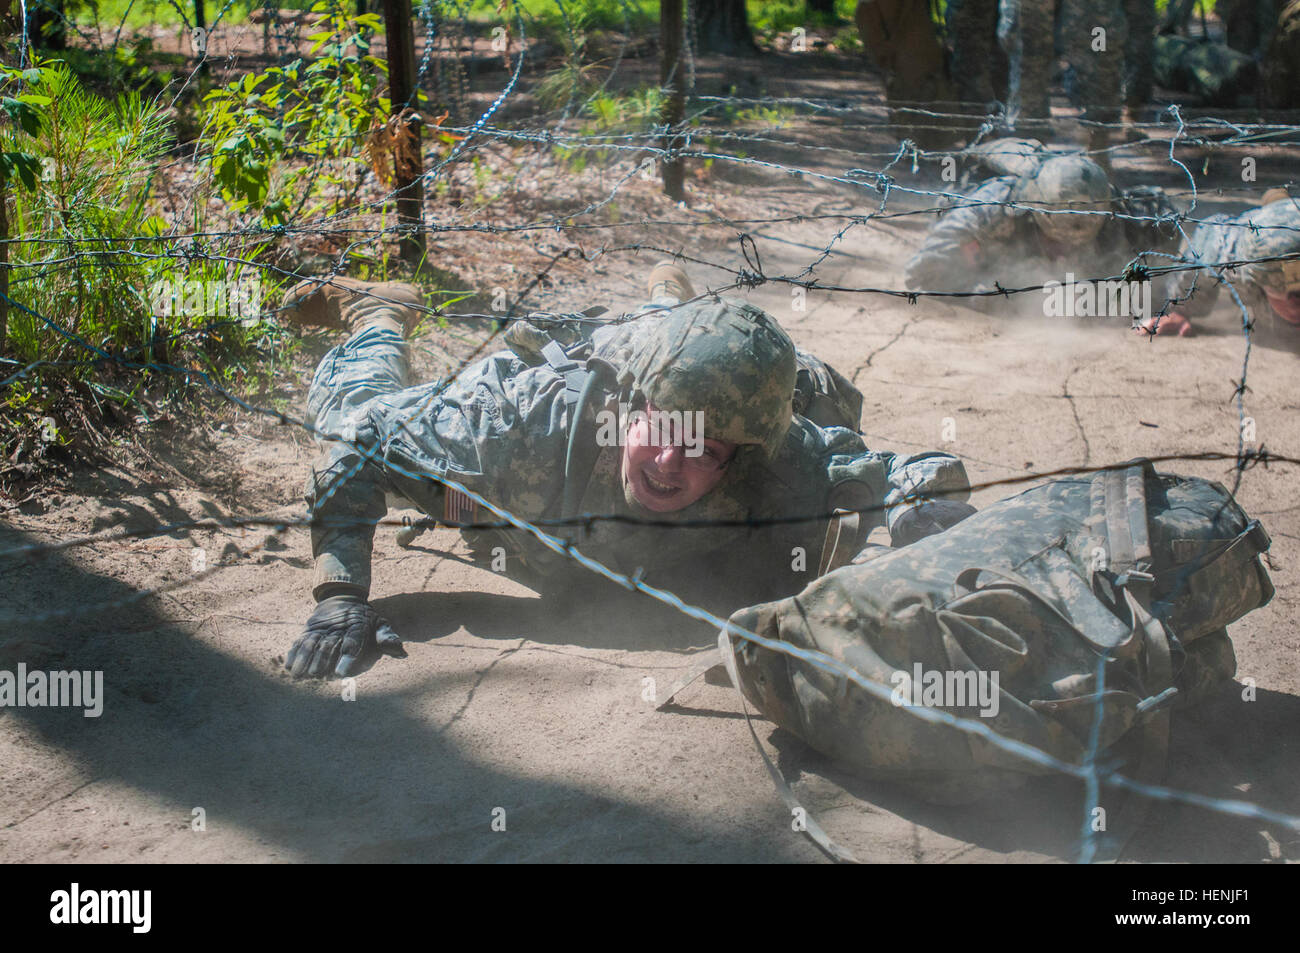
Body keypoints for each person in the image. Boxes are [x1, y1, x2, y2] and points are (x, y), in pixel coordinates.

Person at [281, 264, 973, 678]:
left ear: (741, 455)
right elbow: (356, 440)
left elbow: (908, 471)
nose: (671, 463)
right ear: (632, 404)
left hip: (665, 365)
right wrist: (340, 593)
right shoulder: (508, 427)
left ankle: (666, 298)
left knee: (805, 391)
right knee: (349, 406)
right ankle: (377, 312)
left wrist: (924, 517)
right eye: (664, 432)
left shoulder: (775, 457)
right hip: (500, 502)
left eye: (704, 451)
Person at [904, 144, 1180, 300]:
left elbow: (1158, 277)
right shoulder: (997, 203)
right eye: (1055, 241)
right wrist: (983, 293)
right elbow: (922, 271)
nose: (1064, 250)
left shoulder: (1118, 214)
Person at [1141, 192, 1300, 336]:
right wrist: (1182, 309)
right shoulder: (1239, 259)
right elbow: (1208, 243)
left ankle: (1279, 199)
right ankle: (1277, 200)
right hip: (1271, 227)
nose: (1296, 306)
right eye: (1294, 295)